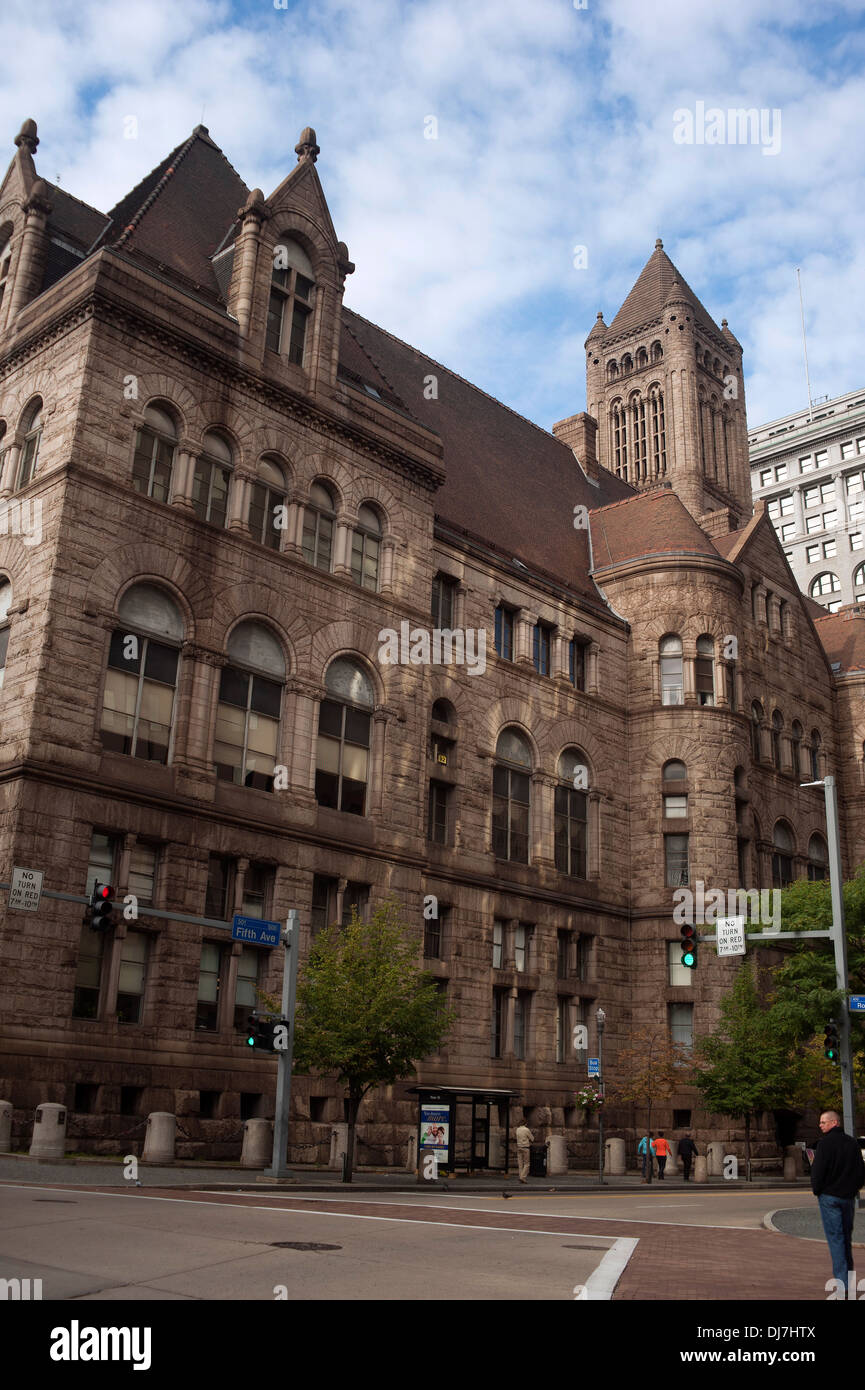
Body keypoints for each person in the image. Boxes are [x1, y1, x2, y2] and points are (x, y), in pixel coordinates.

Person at [810, 1110, 865, 1296]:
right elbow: (861, 1171)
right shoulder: (852, 1143)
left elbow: (818, 1171)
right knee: (846, 1239)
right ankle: (848, 1280)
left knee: (836, 1240)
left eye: (823, 1122)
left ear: (834, 1122)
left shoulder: (824, 1144)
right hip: (847, 1198)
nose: (820, 1125)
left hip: (829, 1197)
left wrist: (818, 1190)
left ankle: (843, 1285)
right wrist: (853, 1189)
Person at [515, 1119, 534, 1183]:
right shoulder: (526, 1129)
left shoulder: (517, 1129)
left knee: (520, 1164)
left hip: (519, 1147)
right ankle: (522, 1177)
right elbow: (532, 1138)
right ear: (525, 1123)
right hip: (525, 1148)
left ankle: (521, 1177)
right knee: (527, 1164)